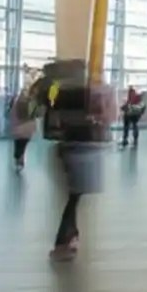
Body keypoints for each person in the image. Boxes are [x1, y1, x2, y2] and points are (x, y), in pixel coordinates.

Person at [43, 60, 115, 262]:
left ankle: (70, 236)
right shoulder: (83, 92)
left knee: (73, 197)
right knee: (74, 197)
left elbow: (47, 106)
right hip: (80, 146)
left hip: (67, 145)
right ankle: (64, 240)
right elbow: (99, 114)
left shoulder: (56, 89)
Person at [10, 87, 36, 170]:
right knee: (23, 145)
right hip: (28, 128)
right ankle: (20, 159)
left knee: (18, 144)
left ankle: (18, 159)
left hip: (18, 128)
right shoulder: (30, 102)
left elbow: (13, 114)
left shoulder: (16, 102)